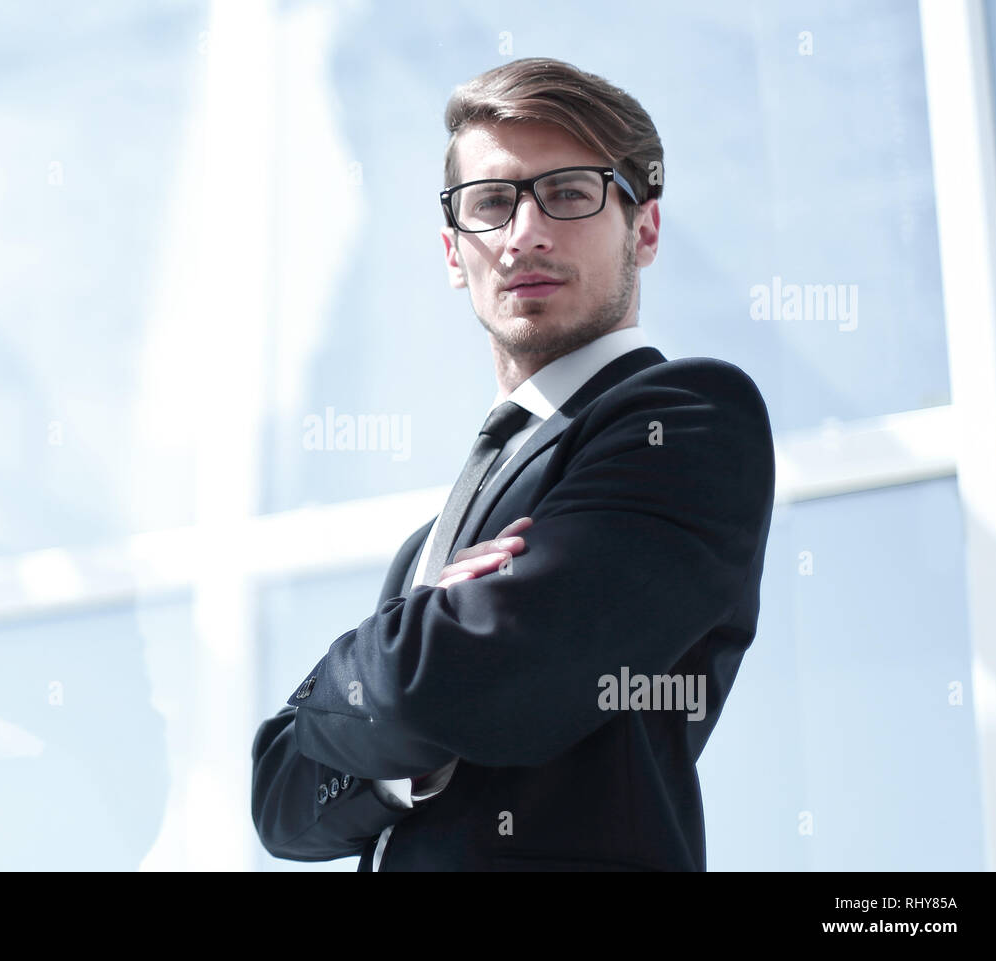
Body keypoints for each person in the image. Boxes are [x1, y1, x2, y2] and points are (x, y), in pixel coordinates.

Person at [250, 58, 775, 871]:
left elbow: (508, 682)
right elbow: (279, 797)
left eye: (568, 193)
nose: (524, 232)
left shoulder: (688, 418)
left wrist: (368, 677)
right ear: (455, 252)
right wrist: (412, 667)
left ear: (644, 229)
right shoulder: (425, 547)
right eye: (492, 203)